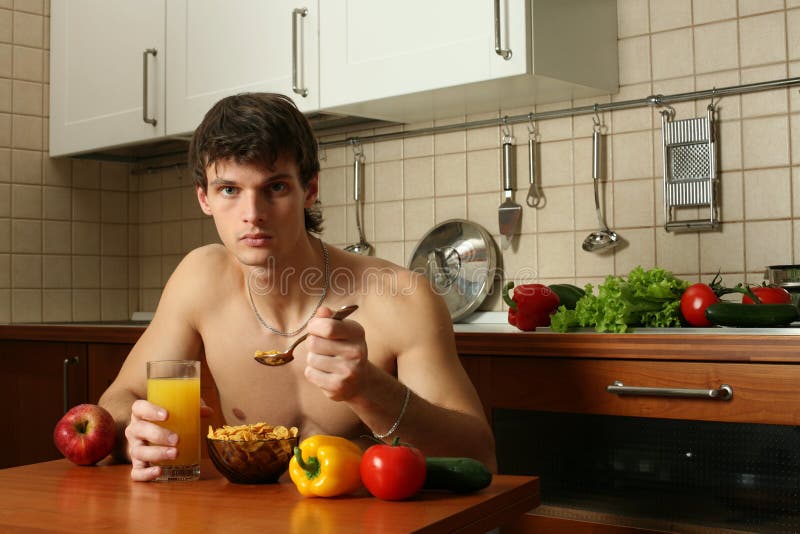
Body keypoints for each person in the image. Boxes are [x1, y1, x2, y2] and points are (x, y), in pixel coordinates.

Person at [98, 93, 496, 482]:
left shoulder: (401, 297)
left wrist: (369, 389)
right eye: (229, 190)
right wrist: (132, 435)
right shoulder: (199, 280)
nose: (252, 215)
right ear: (205, 198)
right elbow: (116, 402)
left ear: (310, 189)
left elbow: (481, 459)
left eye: (275, 188)